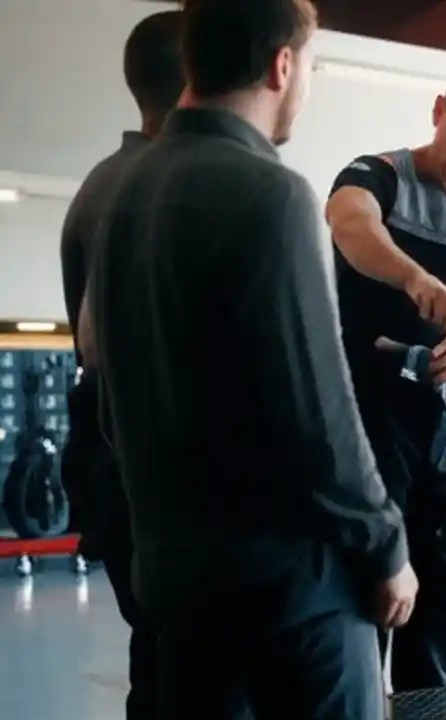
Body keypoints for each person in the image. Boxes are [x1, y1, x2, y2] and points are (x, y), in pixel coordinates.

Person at [79, 1, 415, 717]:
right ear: (282, 65)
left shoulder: (121, 195)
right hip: (297, 608)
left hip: (181, 600)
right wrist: (385, 544)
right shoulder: (273, 193)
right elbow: (320, 413)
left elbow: (113, 404)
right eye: (312, 66)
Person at [324, 59, 446, 690]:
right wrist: (412, 275)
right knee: (363, 601)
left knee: (435, 603)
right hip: (358, 420)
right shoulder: (376, 175)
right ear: (438, 111)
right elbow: (349, 224)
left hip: (437, 426)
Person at [58, 11, 185, 720]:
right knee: (183, 659)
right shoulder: (160, 185)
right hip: (149, 461)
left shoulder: (101, 181)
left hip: (114, 457)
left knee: (159, 652)